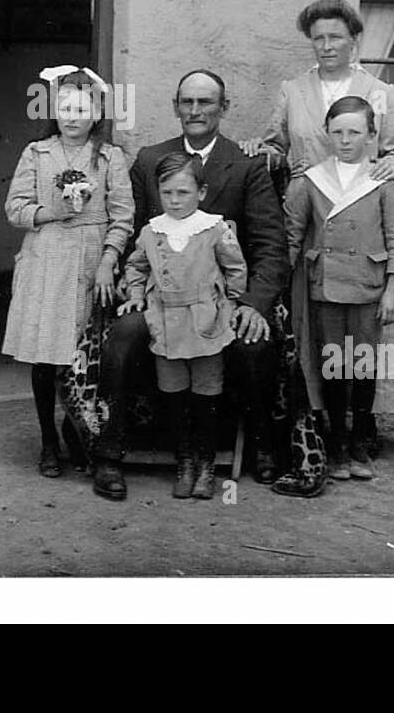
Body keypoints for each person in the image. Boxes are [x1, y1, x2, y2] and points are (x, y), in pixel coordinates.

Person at [240, 0, 394, 493]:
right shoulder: (293, 91)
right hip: (313, 228)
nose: (327, 47)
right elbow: (275, 147)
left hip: (365, 224)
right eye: (318, 39)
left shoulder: (379, 91)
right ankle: (323, 431)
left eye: (336, 38)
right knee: (317, 339)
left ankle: (362, 431)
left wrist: (393, 166)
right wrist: (267, 155)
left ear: (354, 40)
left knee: (363, 343)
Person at [91, 69, 288, 501]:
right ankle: (109, 453)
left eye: (206, 102)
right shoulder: (148, 160)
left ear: (224, 108)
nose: (195, 111)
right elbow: (136, 235)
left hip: (219, 302)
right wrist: (134, 290)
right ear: (176, 106)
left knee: (255, 345)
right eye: (187, 102)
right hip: (162, 298)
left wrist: (251, 303)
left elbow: (270, 246)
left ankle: (262, 445)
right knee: (122, 336)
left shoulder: (246, 163)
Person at [2, 67, 134, 478]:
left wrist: (109, 261)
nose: (72, 116)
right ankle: (47, 441)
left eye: (81, 108)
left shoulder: (110, 157)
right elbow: (14, 208)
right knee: (45, 354)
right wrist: (49, 212)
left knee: (83, 353)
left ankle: (76, 429)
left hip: (91, 260)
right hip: (47, 256)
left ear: (96, 114)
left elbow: (123, 216)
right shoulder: (36, 154)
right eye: (64, 108)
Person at [282, 96, 394, 481]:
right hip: (327, 286)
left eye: (354, 132)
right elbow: (293, 235)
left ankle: (359, 443)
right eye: (337, 132)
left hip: (368, 285)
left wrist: (391, 288)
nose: (345, 140)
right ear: (327, 135)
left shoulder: (382, 181)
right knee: (334, 366)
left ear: (371, 136)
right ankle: (337, 443)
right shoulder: (312, 179)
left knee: (364, 365)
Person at [119, 151, 248, 500]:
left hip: (206, 323)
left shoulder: (214, 228)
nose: (175, 201)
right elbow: (137, 266)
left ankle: (206, 464)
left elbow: (235, 268)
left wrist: (233, 302)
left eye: (183, 193)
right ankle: (184, 461)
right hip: (166, 325)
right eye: (167, 193)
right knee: (174, 395)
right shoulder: (152, 231)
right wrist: (135, 293)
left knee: (205, 395)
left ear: (201, 193)